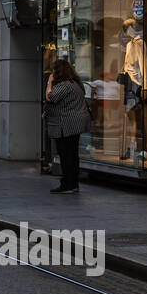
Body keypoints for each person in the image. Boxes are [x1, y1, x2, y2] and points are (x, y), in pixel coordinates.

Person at [45, 58, 91, 194]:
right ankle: (72, 183)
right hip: (74, 123)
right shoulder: (75, 83)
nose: (52, 73)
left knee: (66, 154)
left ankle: (68, 184)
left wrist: (49, 82)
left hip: (67, 124)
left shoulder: (64, 85)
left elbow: (50, 97)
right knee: (71, 154)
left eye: (53, 71)